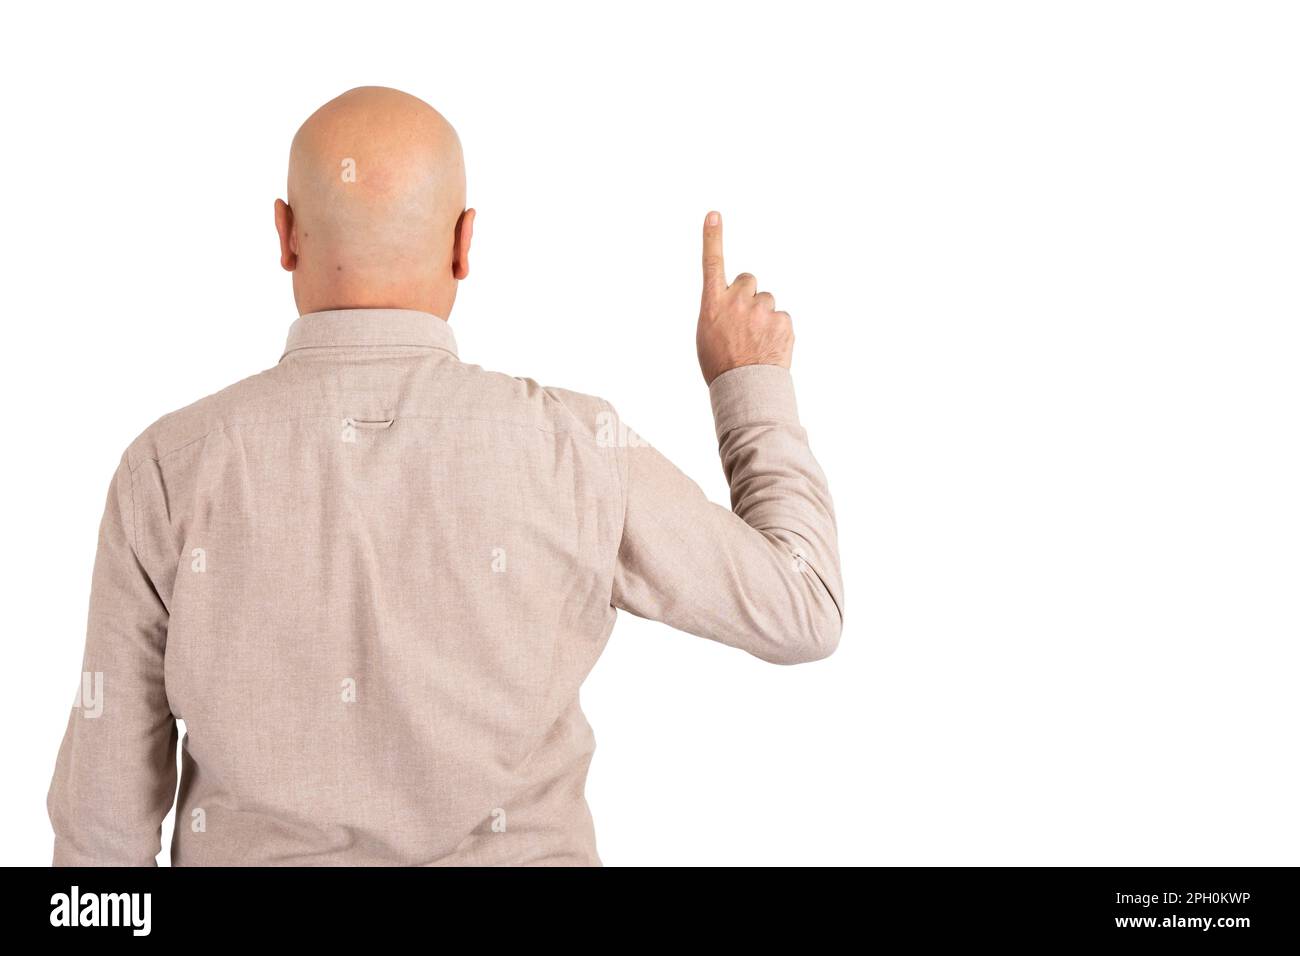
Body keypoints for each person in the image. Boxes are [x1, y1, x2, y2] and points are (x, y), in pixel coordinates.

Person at [48, 86, 843, 866]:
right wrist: (749, 381)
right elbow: (802, 606)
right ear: (466, 244)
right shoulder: (576, 448)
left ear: (284, 235)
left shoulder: (166, 468)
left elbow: (102, 830)